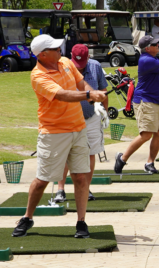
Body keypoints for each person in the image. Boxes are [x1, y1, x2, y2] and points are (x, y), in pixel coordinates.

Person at [14, 34, 108, 241]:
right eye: (55, 49)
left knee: (81, 176)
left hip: (78, 128)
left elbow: (81, 84)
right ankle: (28, 217)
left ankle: (81, 221)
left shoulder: (65, 62)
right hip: (53, 132)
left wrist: (96, 98)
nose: (60, 50)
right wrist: (89, 96)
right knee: (42, 180)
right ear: (43, 54)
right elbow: (62, 95)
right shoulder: (37, 76)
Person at [53, 44, 109, 203]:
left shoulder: (95, 66)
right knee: (65, 154)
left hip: (91, 117)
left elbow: (103, 90)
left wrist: (104, 110)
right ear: (71, 56)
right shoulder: (63, 67)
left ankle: (86, 188)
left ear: (88, 58)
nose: (80, 67)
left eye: (82, 64)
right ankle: (60, 190)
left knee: (90, 153)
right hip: (69, 118)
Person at [115, 35, 159, 174]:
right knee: (146, 134)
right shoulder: (146, 60)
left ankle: (150, 163)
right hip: (146, 101)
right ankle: (122, 159)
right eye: (155, 45)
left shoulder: (153, 58)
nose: (157, 46)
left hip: (157, 101)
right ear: (147, 48)